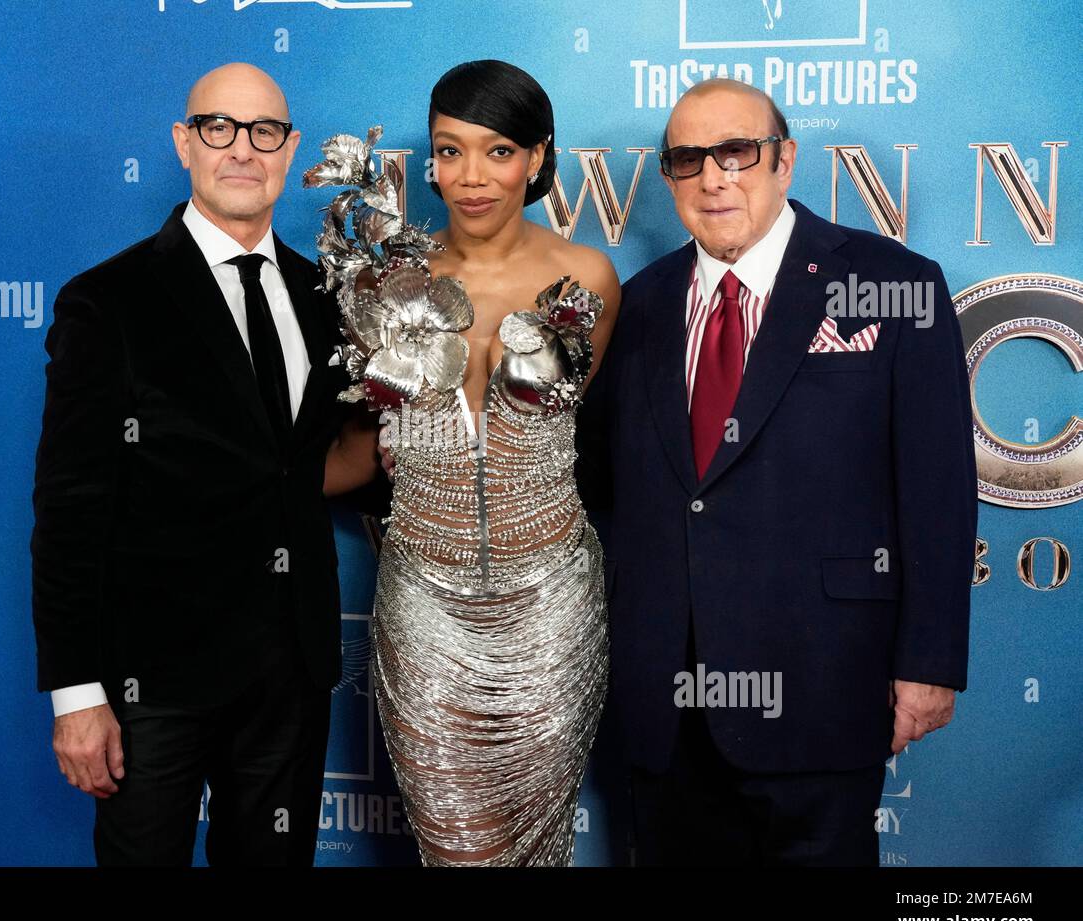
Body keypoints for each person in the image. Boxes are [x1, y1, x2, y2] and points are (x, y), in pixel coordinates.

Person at [576, 77, 977, 865]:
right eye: (688, 159)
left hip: (825, 685)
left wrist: (927, 664)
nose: (713, 178)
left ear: (785, 161)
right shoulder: (637, 306)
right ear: (668, 178)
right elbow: (603, 490)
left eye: (737, 152)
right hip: (666, 701)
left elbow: (937, 493)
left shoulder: (893, 285)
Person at [31, 62, 361, 866]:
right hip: (154, 682)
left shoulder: (330, 297)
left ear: (291, 153)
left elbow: (315, 463)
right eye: (219, 128)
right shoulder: (109, 300)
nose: (242, 150)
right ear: (185, 143)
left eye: (264, 132)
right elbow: (69, 509)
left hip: (289, 675)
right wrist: (77, 696)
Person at [321, 59, 621, 866]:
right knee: (457, 846)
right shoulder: (383, 287)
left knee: (539, 844)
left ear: (537, 157)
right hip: (425, 605)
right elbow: (352, 455)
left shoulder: (588, 276)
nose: (471, 177)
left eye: (497, 151)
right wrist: (222, 476)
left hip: (552, 600)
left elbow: (585, 439)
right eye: (450, 152)